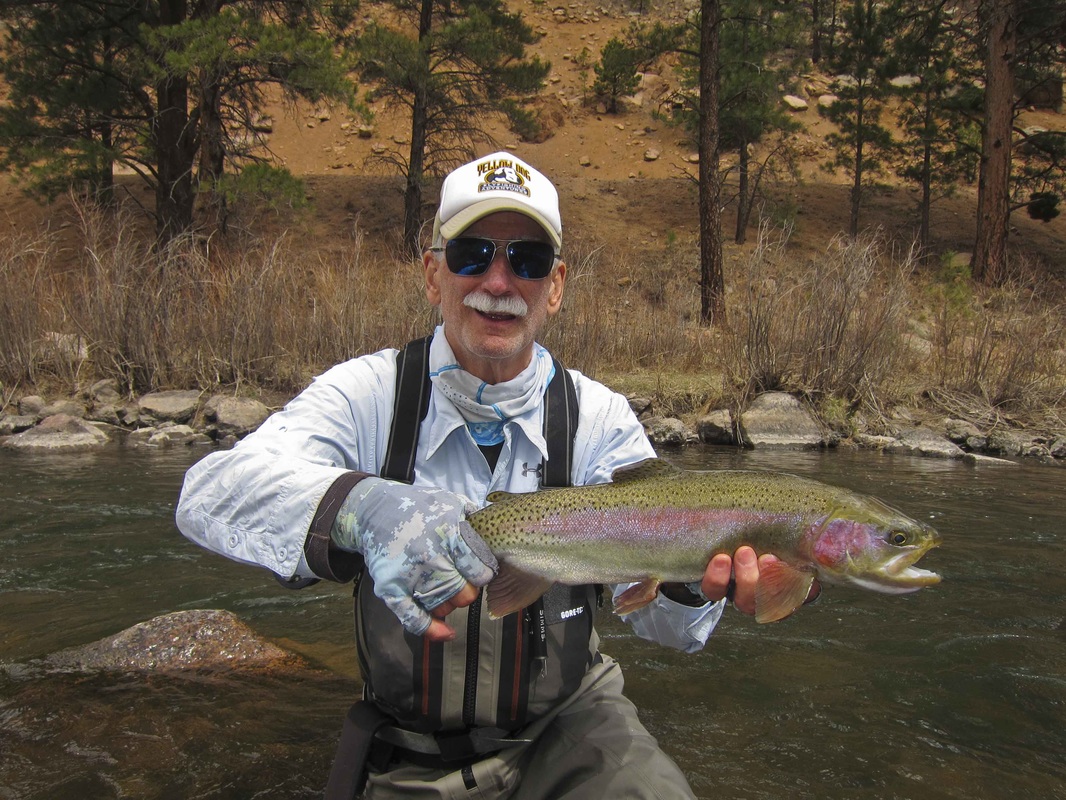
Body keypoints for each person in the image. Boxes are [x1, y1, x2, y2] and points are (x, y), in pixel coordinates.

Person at [176, 151, 809, 799]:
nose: (499, 282)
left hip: (575, 732)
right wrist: (356, 506)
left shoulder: (597, 418)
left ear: (555, 286)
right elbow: (209, 494)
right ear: (433, 274)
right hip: (408, 748)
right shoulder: (368, 396)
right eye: (473, 254)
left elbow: (669, 631)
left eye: (527, 261)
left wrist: (690, 582)